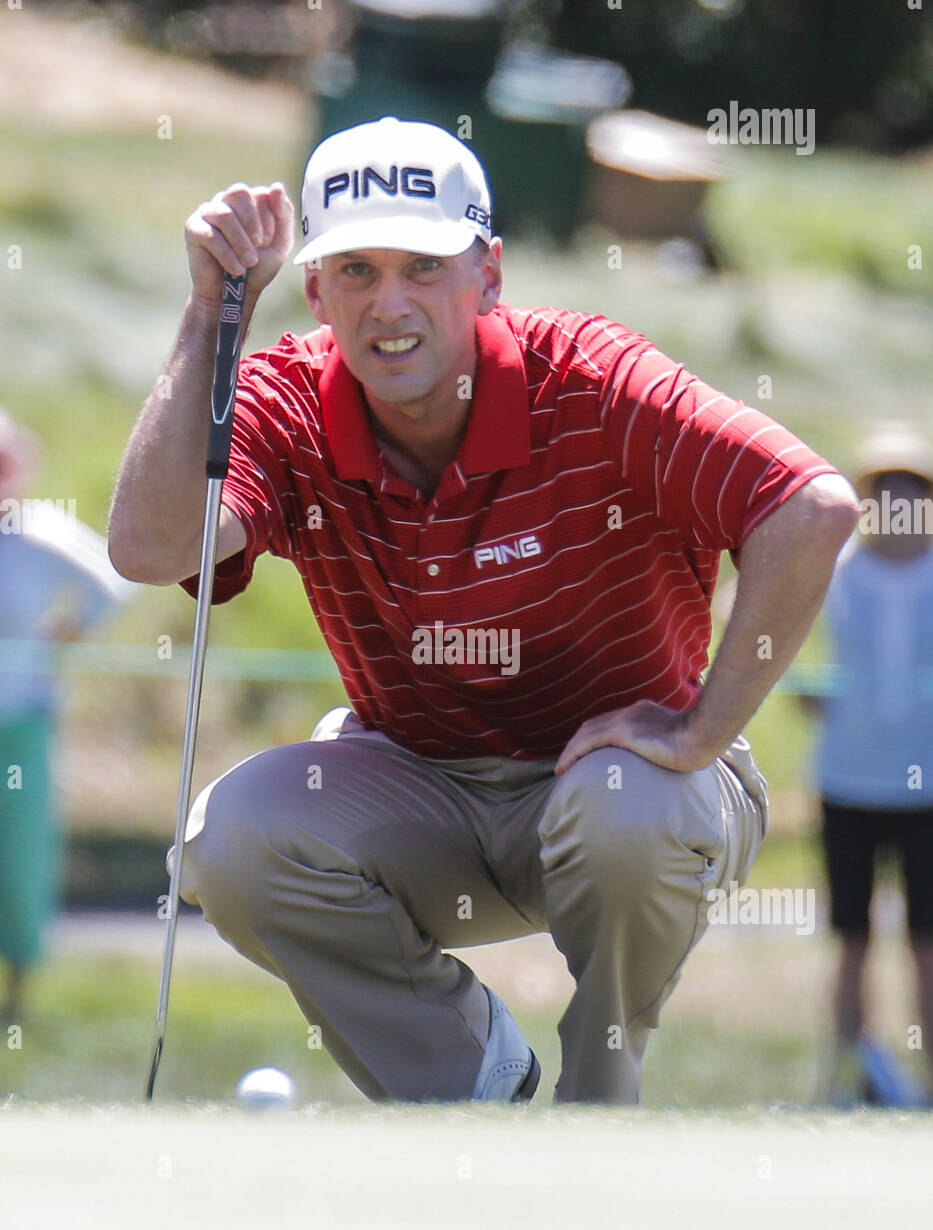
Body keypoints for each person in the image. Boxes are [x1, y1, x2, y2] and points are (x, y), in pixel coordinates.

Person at [108, 117, 858, 1103]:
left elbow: (810, 507)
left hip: (636, 793)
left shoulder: (592, 380)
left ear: (489, 274)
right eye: (358, 271)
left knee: (625, 805)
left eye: (425, 265)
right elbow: (152, 547)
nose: (391, 305)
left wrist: (700, 729)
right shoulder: (285, 401)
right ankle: (471, 1087)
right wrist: (212, 317)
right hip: (425, 793)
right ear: (316, 290)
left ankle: (600, 1103)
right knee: (232, 837)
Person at [800, 423, 933, 1107]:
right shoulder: (835, 570)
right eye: (885, 488)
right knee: (850, 940)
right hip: (847, 782)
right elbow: (774, 639)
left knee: (925, 943)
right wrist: (808, 687)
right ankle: (846, 1078)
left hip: (926, 789)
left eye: (911, 487)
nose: (899, 500)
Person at [0, 408, 134, 1024]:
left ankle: (18, 1000)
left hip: (21, 720)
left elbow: (114, 580)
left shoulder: (39, 532)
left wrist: (67, 634)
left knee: (20, 856)